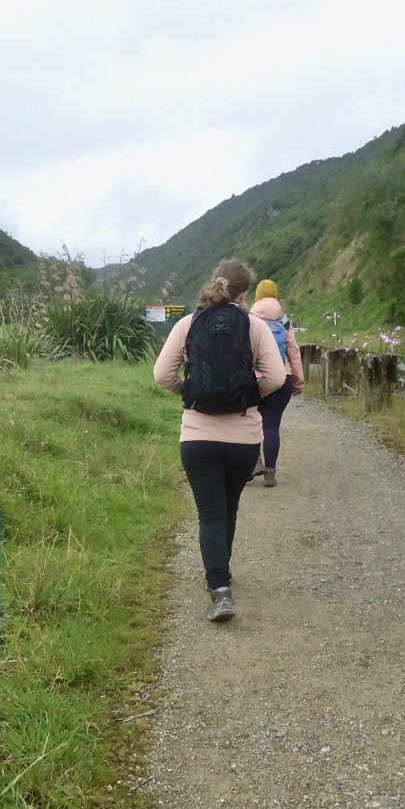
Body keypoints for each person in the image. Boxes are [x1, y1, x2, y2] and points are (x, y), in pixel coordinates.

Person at [154, 259, 287, 622]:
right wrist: (246, 395)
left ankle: (220, 587)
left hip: (197, 437)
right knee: (228, 507)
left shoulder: (188, 324)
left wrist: (190, 392)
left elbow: (161, 373)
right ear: (244, 294)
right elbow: (276, 377)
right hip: (243, 439)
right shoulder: (255, 326)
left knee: (209, 513)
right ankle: (221, 573)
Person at [248, 279, 305, 487]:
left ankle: (252, 465)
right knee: (271, 425)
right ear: (276, 297)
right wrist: (298, 381)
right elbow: (294, 353)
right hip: (282, 378)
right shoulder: (285, 322)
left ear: (257, 297)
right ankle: (270, 473)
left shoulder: (248, 320)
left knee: (250, 423)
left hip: (255, 378)